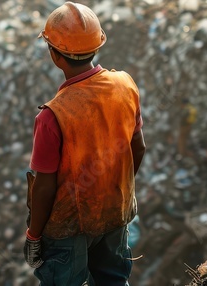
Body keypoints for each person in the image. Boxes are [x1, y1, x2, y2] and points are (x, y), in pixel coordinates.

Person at [24, 2, 146, 285]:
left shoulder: (51, 116)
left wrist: (33, 236)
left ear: (55, 55)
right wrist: (112, 191)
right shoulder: (125, 85)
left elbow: (45, 186)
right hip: (116, 213)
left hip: (67, 229)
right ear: (97, 45)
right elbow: (137, 147)